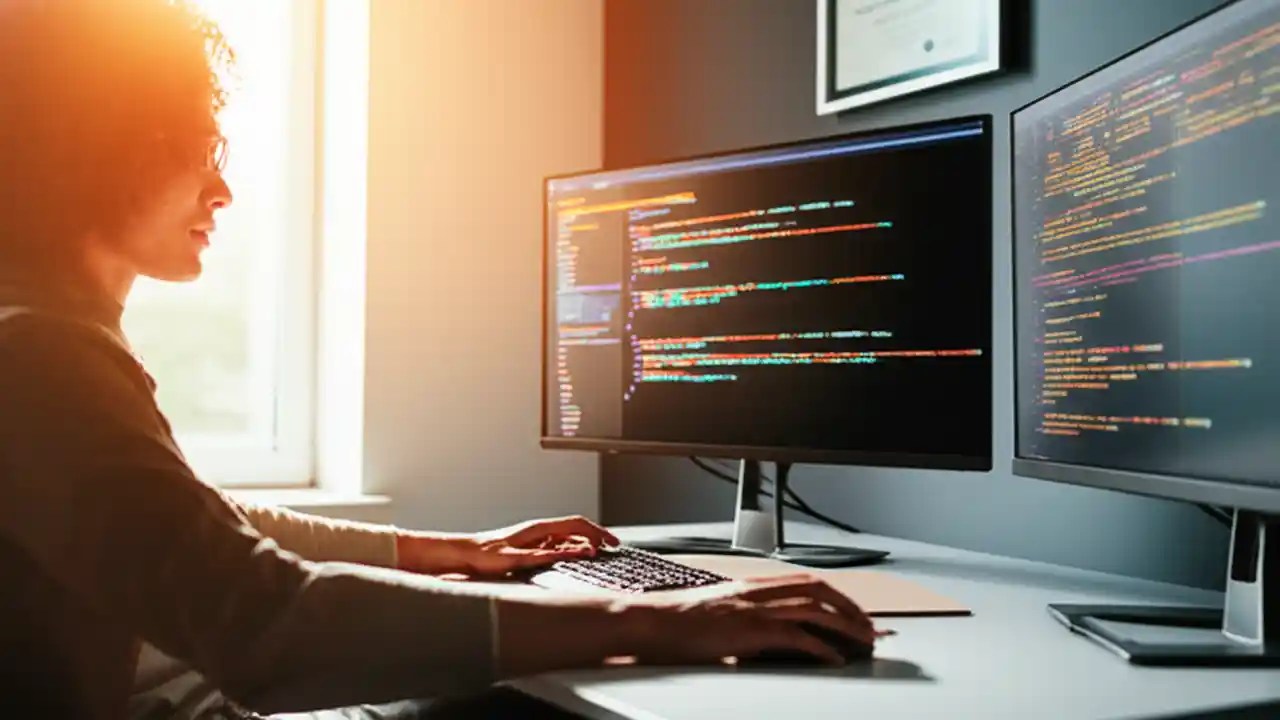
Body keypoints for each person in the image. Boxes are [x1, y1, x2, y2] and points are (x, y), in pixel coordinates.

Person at [0, 1, 882, 718]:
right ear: (97, 143)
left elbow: (197, 528)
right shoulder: (41, 357)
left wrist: (450, 551)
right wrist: (661, 621)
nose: (222, 187)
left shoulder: (47, 341)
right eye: (197, 148)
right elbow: (267, 624)